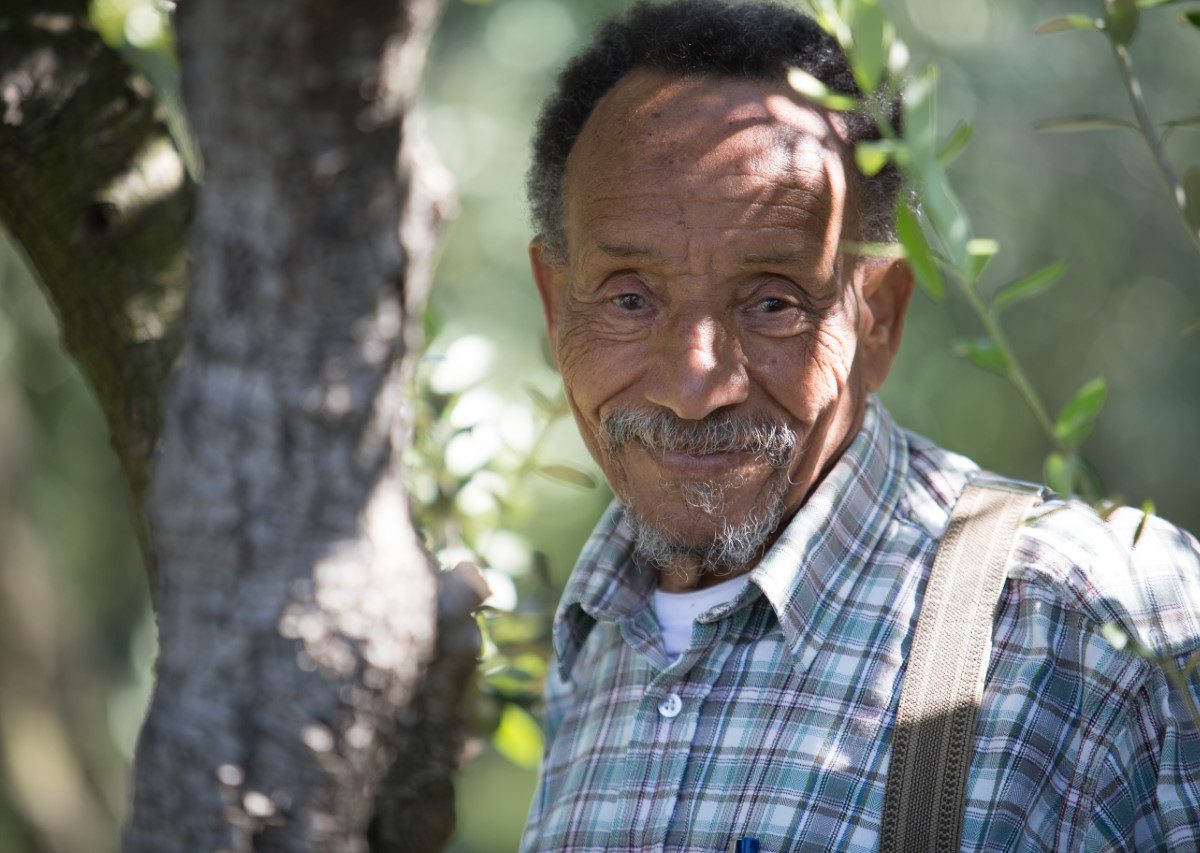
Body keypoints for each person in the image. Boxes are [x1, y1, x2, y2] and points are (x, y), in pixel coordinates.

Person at [518, 1, 1200, 850]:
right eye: (629, 299)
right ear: (555, 303)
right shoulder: (589, 651)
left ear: (877, 314)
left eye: (772, 302)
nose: (695, 387)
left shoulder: (1095, 622)